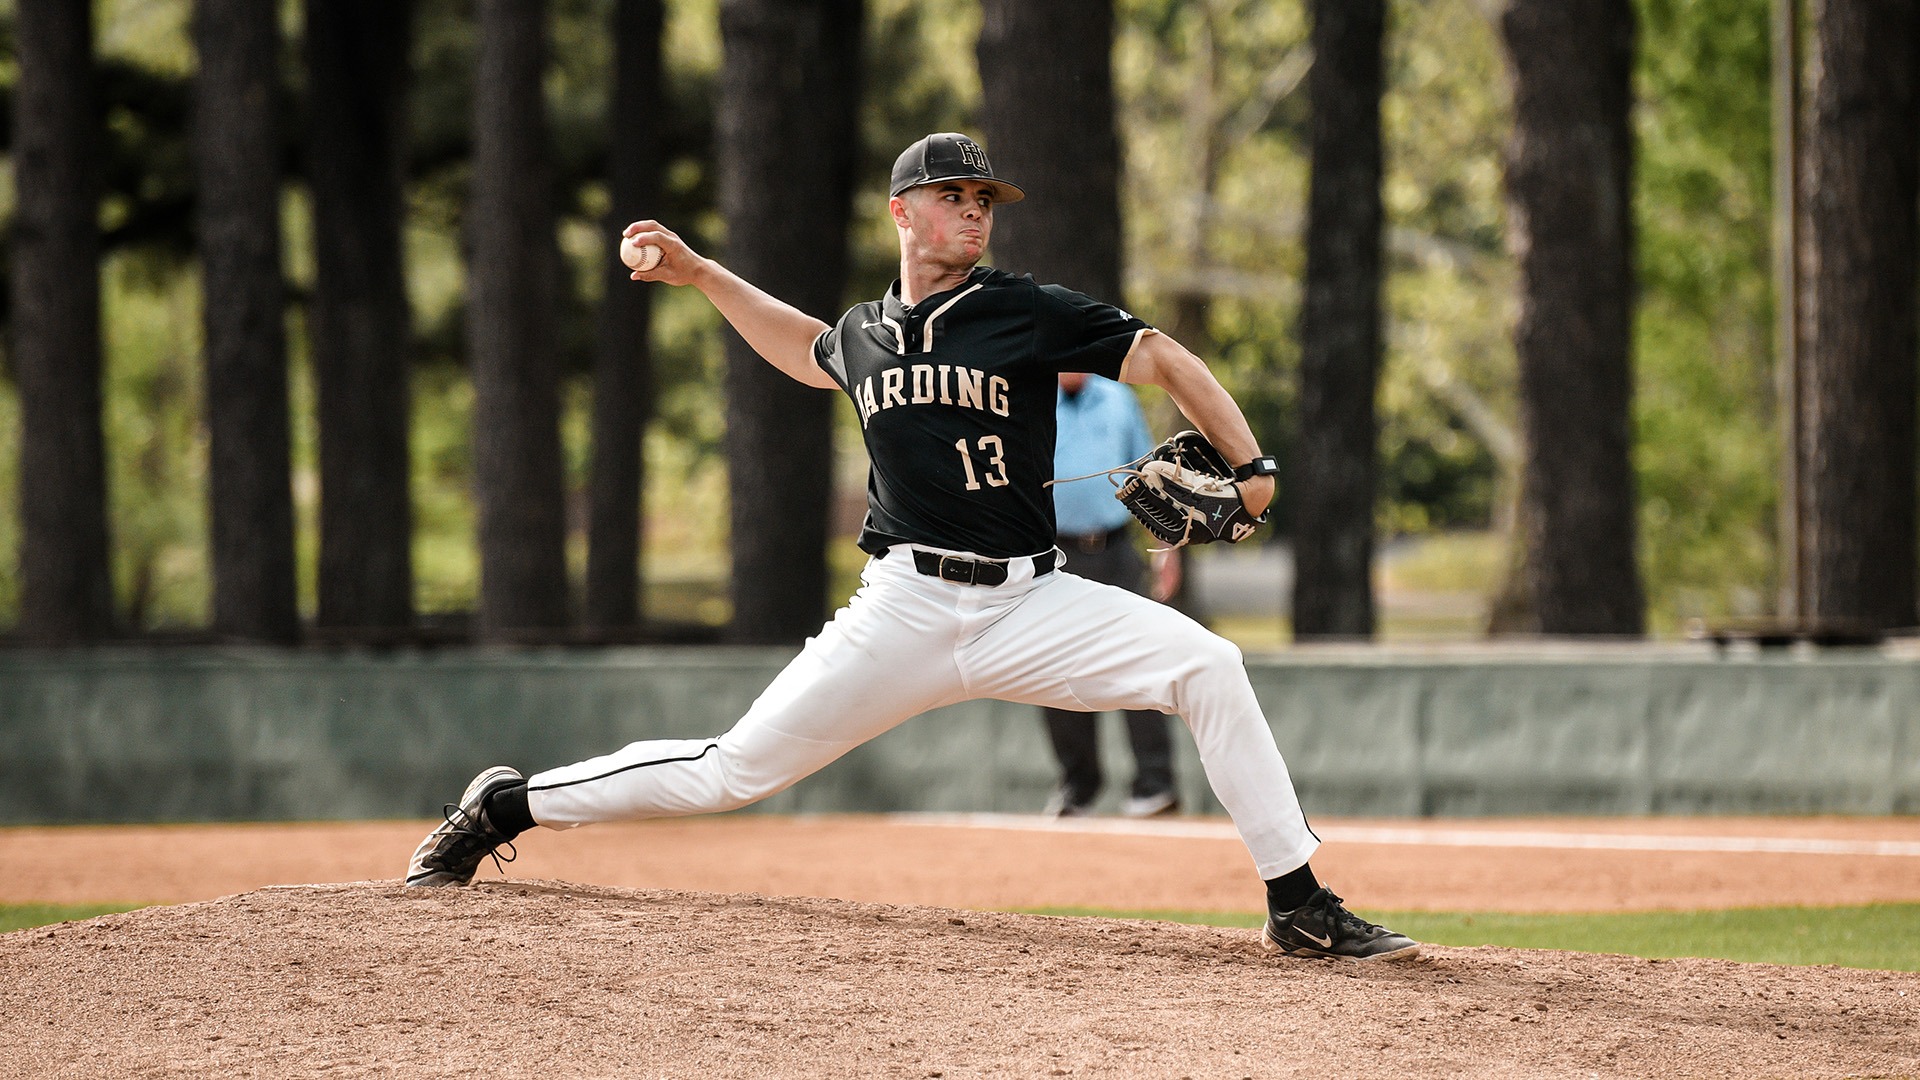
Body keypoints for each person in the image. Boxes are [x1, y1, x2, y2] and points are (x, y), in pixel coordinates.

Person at [406, 132, 1419, 962]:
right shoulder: (866, 334)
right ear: (902, 212)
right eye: (954, 196)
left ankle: (1298, 901)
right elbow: (804, 349)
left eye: (985, 200)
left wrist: (1252, 466)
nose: (976, 212)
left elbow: (1155, 355)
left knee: (1210, 663)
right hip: (904, 609)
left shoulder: (1018, 311)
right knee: (730, 773)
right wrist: (702, 271)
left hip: (1032, 603)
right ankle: (508, 806)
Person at [1042, 371, 1179, 818]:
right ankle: (1079, 785)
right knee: (1057, 670)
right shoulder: (1029, 398)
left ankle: (1155, 784)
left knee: (1138, 661)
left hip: (1116, 550)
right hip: (1053, 553)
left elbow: (1146, 474)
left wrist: (1165, 546)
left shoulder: (1119, 399)